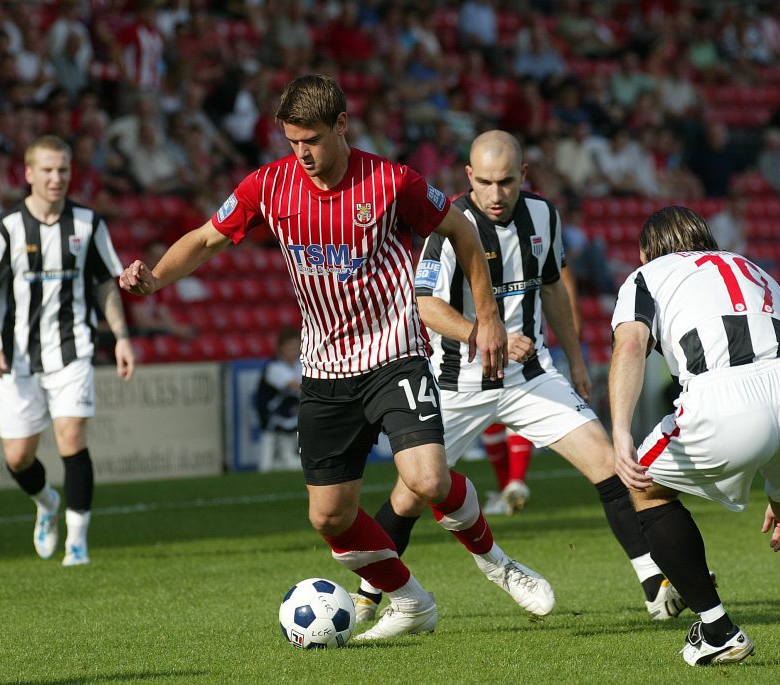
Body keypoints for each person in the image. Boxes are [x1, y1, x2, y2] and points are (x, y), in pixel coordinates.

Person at [119, 74, 550, 641]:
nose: (303, 154)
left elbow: (463, 234)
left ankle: (496, 561)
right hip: (324, 370)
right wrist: (155, 280)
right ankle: (411, 601)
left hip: (394, 353)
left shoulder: (394, 182)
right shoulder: (268, 186)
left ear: (342, 127)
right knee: (329, 517)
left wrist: (488, 316)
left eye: (313, 140)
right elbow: (204, 239)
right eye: (293, 142)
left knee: (425, 478)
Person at [352, 130, 678, 624]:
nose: (496, 194)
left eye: (506, 181)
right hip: (454, 384)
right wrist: (487, 334)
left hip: (528, 377)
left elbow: (551, 288)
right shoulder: (447, 224)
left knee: (610, 465)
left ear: (523, 176)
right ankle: (363, 600)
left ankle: (655, 581)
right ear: (468, 178)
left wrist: (574, 356)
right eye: (485, 182)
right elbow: (427, 307)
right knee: (410, 493)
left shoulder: (544, 216)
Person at [609, 205, 780, 666]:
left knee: (641, 484)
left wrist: (621, 429)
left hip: (723, 393)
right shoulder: (752, 268)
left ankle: (717, 630)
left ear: (646, 250)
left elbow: (629, 345)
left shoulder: (646, 275)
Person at [0, 135, 136, 567]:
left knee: (71, 437)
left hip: (72, 350)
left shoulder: (87, 223)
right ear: (28, 174)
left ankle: (77, 543)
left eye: (63, 169)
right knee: (18, 457)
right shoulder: (7, 227)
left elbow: (106, 282)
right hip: (18, 358)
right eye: (46, 170)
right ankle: (46, 503)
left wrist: (120, 336)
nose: (56, 178)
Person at [255, 325, 302, 473]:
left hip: (291, 418)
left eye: (297, 345)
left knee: (291, 461)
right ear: (281, 347)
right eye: (291, 346)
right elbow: (295, 386)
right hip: (272, 419)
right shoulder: (274, 366)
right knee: (267, 465)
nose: (295, 350)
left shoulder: (298, 365)